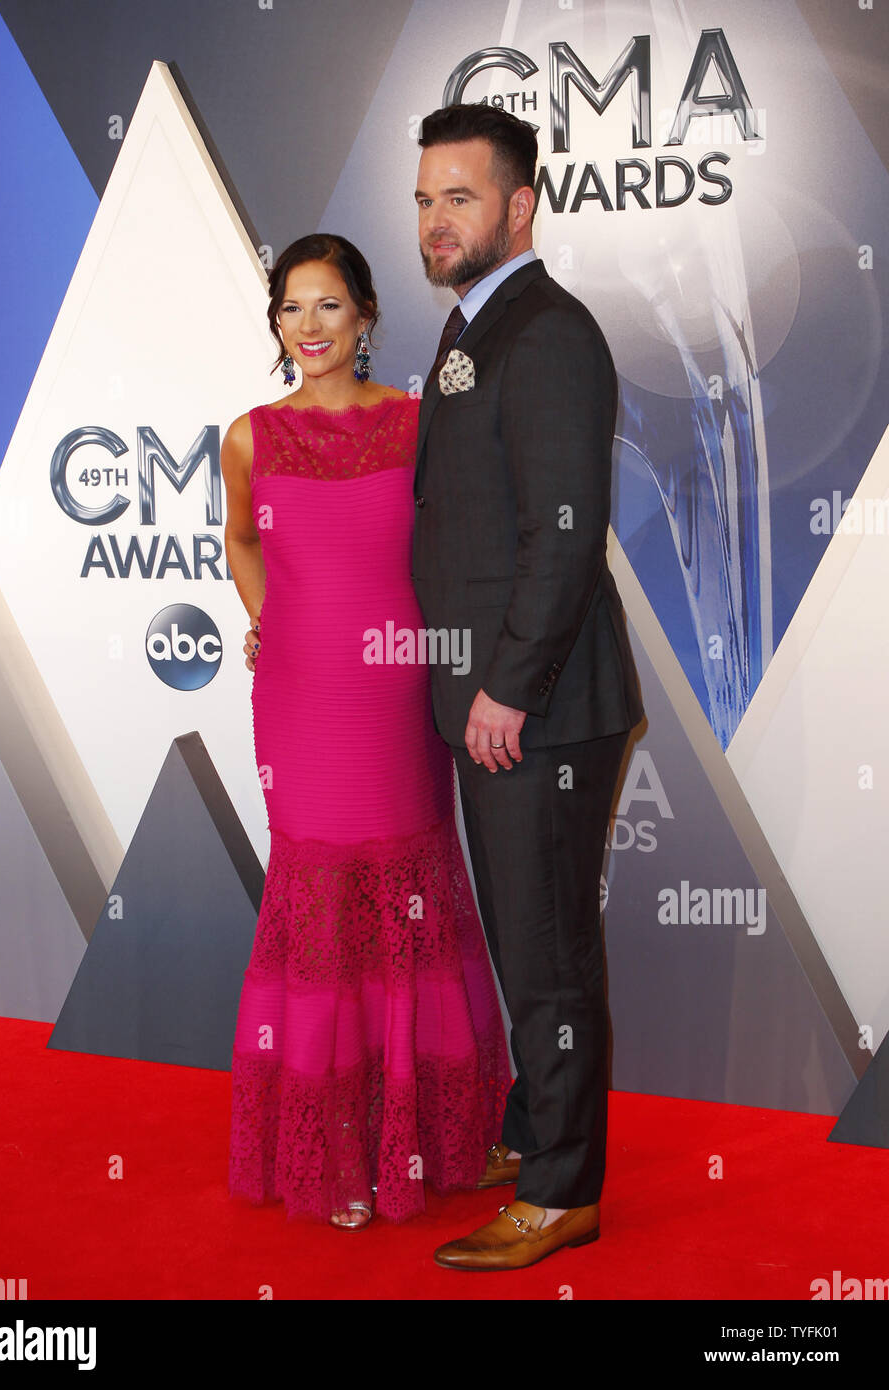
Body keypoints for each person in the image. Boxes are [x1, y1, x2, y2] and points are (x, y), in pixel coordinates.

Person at [220, 233, 510, 1230]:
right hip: (299, 701)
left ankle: (422, 1139)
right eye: (290, 309)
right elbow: (239, 538)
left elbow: (465, 543)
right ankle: (339, 1151)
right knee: (325, 897)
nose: (307, 327)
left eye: (328, 307)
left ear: (365, 319)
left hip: (397, 691)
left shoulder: (417, 423)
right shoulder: (249, 436)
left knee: (410, 892)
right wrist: (268, 620)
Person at [411, 104, 644, 1270]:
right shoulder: (474, 332)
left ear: (518, 206)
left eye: (459, 196)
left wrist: (502, 688)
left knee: (546, 947)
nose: (434, 219)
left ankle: (561, 1192)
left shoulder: (545, 332)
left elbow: (564, 535)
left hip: (537, 706)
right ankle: (532, 1129)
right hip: (495, 703)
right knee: (521, 937)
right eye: (421, 198)